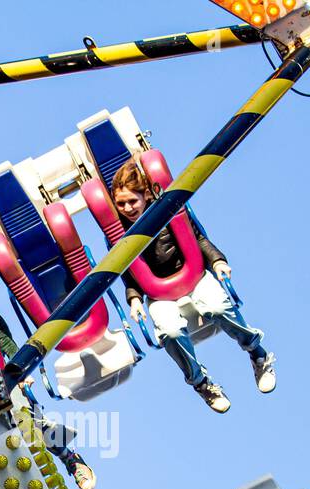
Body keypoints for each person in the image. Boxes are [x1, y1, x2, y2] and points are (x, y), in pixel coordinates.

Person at [110, 159, 275, 413]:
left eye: (132, 201)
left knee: (218, 308)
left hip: (193, 276)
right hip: (159, 293)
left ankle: (257, 353)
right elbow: (129, 272)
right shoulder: (118, 232)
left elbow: (197, 238)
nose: (127, 208)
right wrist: (134, 299)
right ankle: (201, 383)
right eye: (121, 204)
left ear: (145, 196)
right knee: (170, 332)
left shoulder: (166, 211)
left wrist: (218, 261)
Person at [0, 296, 96, 489]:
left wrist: (21, 371)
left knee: (25, 417)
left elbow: (0, 335)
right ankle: (64, 455)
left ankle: (67, 457)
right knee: (24, 418)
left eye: (79, 480)